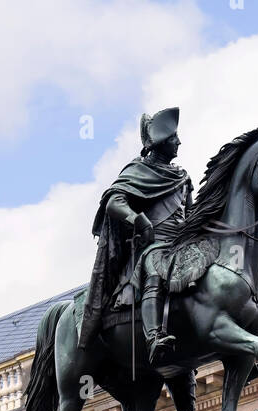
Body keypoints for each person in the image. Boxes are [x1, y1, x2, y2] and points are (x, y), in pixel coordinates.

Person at [80, 107, 193, 366]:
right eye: (174, 137)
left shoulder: (183, 177)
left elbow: (191, 213)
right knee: (155, 267)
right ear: (161, 142)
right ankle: (153, 338)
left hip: (181, 244)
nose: (179, 142)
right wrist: (138, 219)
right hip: (152, 246)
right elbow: (113, 202)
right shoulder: (138, 170)